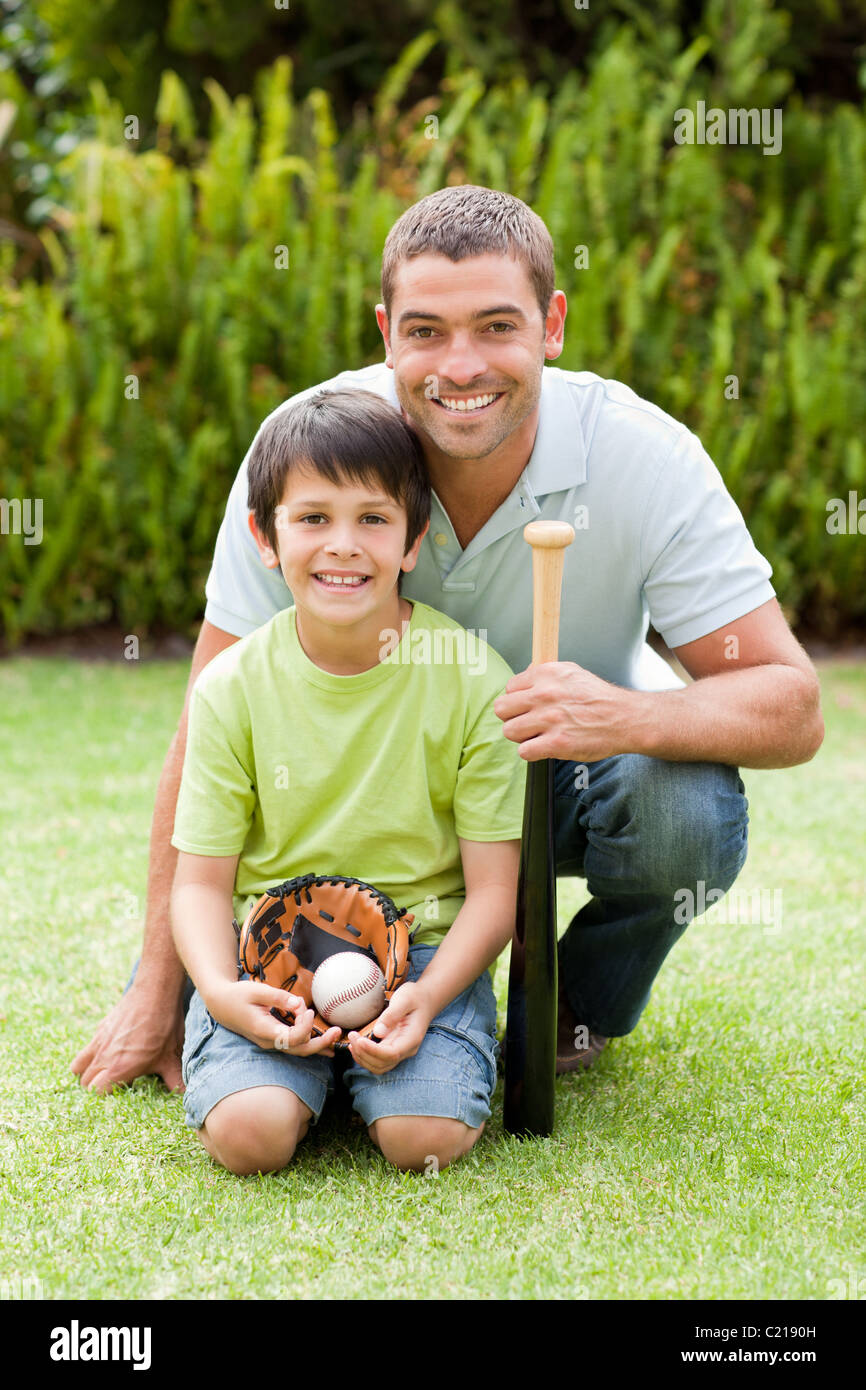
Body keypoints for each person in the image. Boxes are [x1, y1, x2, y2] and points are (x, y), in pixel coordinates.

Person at [72, 183, 823, 1098]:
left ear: (551, 324)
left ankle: (567, 1010)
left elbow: (792, 704)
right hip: (356, 802)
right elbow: (208, 713)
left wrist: (620, 713)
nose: (458, 366)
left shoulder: (646, 458)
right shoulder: (308, 452)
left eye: (495, 327)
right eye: (426, 331)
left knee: (685, 810)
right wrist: (157, 990)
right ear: (387, 331)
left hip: (558, 775)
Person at [170, 386, 525, 1174]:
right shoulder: (230, 687)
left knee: (422, 1141)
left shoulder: (473, 681)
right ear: (265, 537)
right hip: (264, 958)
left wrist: (426, 1000)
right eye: (312, 519)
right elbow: (198, 888)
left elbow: (495, 895)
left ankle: (377, 1084)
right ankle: (285, 1082)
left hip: (425, 957)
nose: (342, 545)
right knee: (249, 1139)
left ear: (412, 540)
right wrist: (225, 996)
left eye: (372, 519)